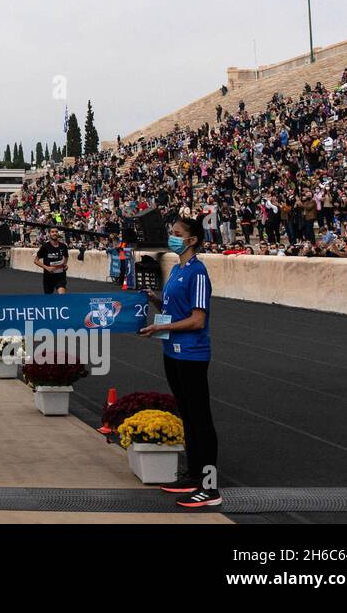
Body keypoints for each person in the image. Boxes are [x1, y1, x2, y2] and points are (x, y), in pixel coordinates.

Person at [141, 216, 220, 508]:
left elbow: (198, 320)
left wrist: (160, 327)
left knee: (200, 418)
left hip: (191, 353)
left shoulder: (198, 272)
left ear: (192, 240)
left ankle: (209, 488)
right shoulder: (176, 269)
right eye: (171, 232)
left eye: (177, 233)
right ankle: (194, 473)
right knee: (187, 414)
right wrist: (154, 299)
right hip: (172, 351)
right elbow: (171, 306)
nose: (171, 237)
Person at [34, 228, 70, 294]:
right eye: (52, 232)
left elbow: (66, 257)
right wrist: (47, 268)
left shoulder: (63, 246)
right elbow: (36, 261)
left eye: (56, 232)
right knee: (49, 297)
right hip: (48, 277)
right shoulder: (45, 246)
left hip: (60, 276)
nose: (54, 233)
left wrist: (65, 265)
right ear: (49, 234)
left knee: (62, 296)